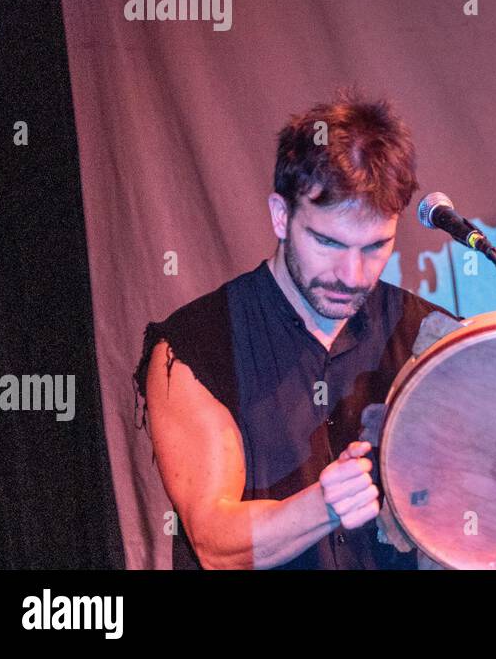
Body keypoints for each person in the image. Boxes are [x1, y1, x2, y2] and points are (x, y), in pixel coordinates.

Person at [134, 92, 450, 569]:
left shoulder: (428, 335)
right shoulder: (195, 347)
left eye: (375, 247)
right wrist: (323, 504)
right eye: (328, 242)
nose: (352, 274)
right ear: (282, 216)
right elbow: (214, 542)